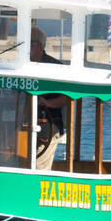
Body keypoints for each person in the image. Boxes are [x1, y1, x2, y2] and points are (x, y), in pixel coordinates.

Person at [30, 26, 69, 169]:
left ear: (38, 45)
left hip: (49, 125)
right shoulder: (23, 66)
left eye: (29, 42)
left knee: (37, 166)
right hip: (21, 124)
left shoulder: (56, 68)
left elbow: (67, 96)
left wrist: (48, 103)